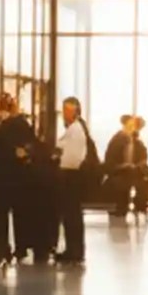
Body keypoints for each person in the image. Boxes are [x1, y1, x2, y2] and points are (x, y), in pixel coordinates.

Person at [0, 94, 42, 263]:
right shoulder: (21, 124)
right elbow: (32, 145)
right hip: (17, 177)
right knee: (19, 214)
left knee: (0, 214)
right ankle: (20, 247)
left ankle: (3, 248)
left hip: (0, 177)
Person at [54, 97, 98, 264]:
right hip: (71, 175)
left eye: (67, 111)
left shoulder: (76, 130)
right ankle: (73, 249)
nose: (64, 114)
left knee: (71, 215)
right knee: (72, 215)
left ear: (75, 111)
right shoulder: (76, 129)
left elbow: (72, 157)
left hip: (71, 176)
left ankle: (74, 251)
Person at [103, 115, 148, 216]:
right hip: (119, 172)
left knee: (140, 183)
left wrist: (140, 164)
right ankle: (121, 208)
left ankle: (139, 206)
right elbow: (110, 161)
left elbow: (143, 157)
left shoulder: (136, 142)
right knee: (123, 183)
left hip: (132, 172)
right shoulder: (117, 140)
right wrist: (123, 166)